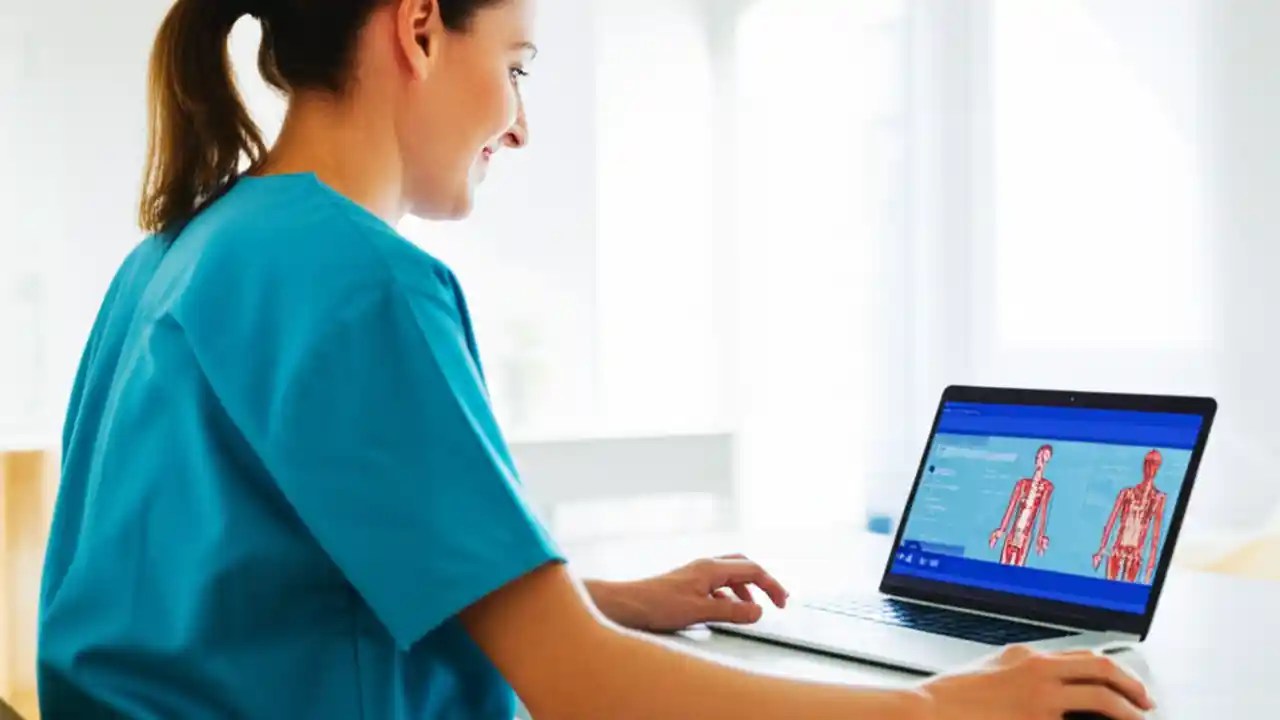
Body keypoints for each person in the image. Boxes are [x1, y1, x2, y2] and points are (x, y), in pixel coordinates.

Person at [36, 0, 1156, 718]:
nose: (519, 124)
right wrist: (940, 710)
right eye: (516, 65)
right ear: (419, 28)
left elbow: (267, 583)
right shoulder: (355, 276)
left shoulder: (182, 251)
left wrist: (597, 596)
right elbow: (576, 687)